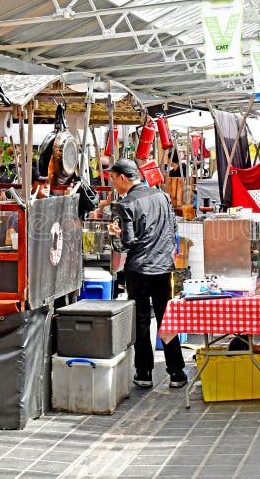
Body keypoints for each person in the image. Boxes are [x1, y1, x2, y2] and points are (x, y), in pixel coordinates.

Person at [107, 158, 187, 389]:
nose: (113, 184)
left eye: (113, 178)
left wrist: (116, 233)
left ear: (123, 177)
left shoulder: (126, 204)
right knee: (166, 318)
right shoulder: (161, 196)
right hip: (163, 267)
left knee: (141, 320)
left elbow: (127, 242)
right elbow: (173, 228)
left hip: (139, 270)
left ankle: (144, 373)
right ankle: (177, 373)